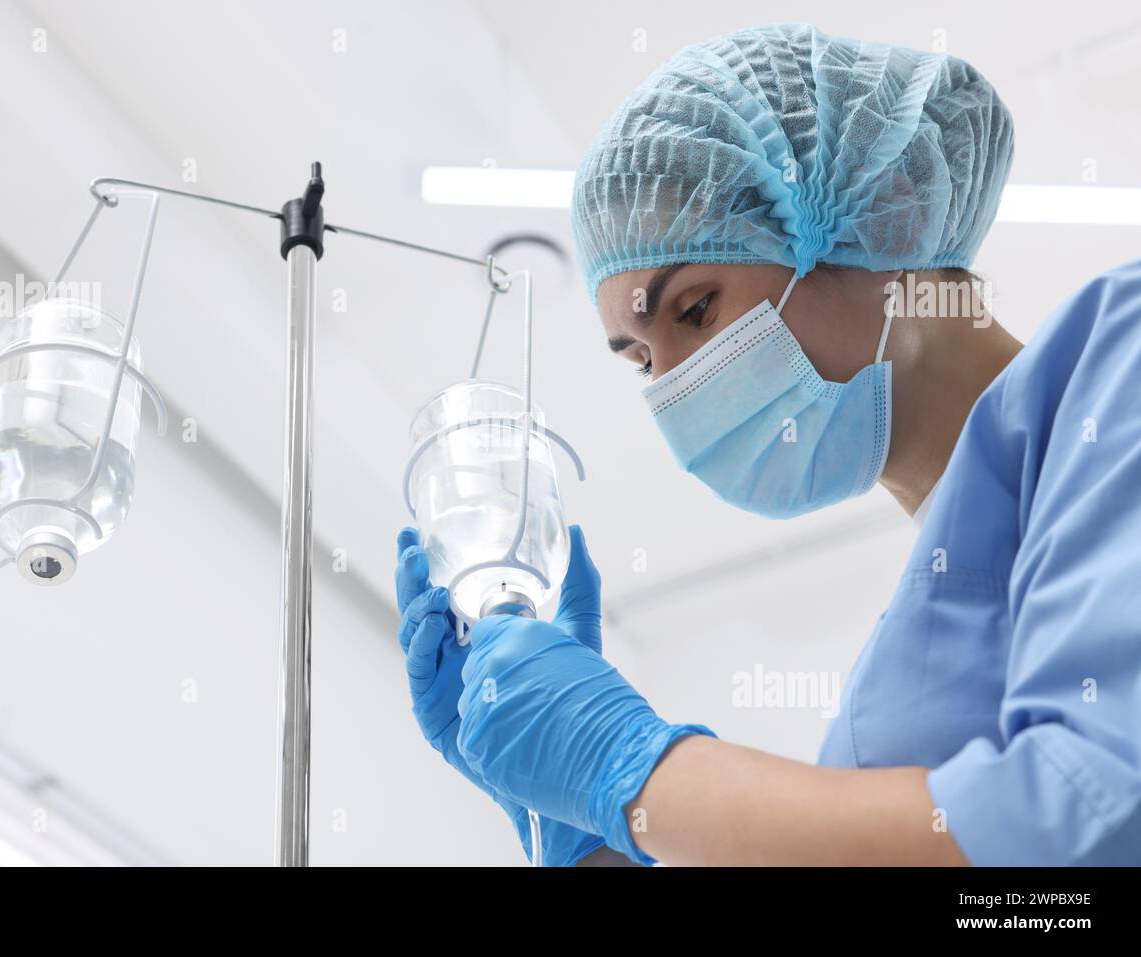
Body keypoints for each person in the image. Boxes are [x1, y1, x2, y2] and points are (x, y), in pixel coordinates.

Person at [395, 22, 1141, 865]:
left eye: (695, 310)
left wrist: (636, 774)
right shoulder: (910, 647)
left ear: (880, 216)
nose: (678, 388)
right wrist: (590, 832)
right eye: (642, 362)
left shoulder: (1121, 362)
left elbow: (1087, 827)